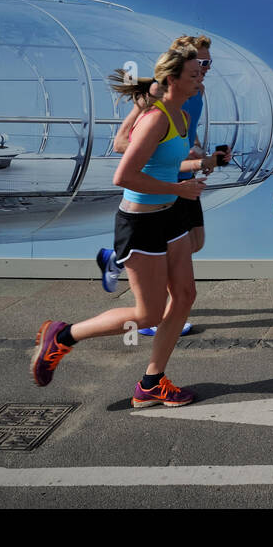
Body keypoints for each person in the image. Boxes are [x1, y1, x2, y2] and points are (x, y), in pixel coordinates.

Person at [33, 45, 205, 407]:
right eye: (194, 72)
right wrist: (178, 187)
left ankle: (152, 382)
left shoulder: (181, 117)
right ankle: (63, 336)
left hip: (171, 213)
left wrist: (194, 170)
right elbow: (123, 175)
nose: (201, 76)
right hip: (141, 222)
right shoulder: (156, 118)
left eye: (202, 70)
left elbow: (165, 165)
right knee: (149, 314)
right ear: (172, 79)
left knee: (186, 295)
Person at [96, 35, 229, 304]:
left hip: (183, 179)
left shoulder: (197, 92)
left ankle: (117, 258)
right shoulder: (155, 94)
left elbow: (184, 133)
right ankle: (155, 312)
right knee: (169, 252)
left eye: (208, 64)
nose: (205, 69)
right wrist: (167, 150)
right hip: (160, 185)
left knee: (195, 242)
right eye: (200, 62)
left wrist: (199, 154)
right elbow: (121, 143)